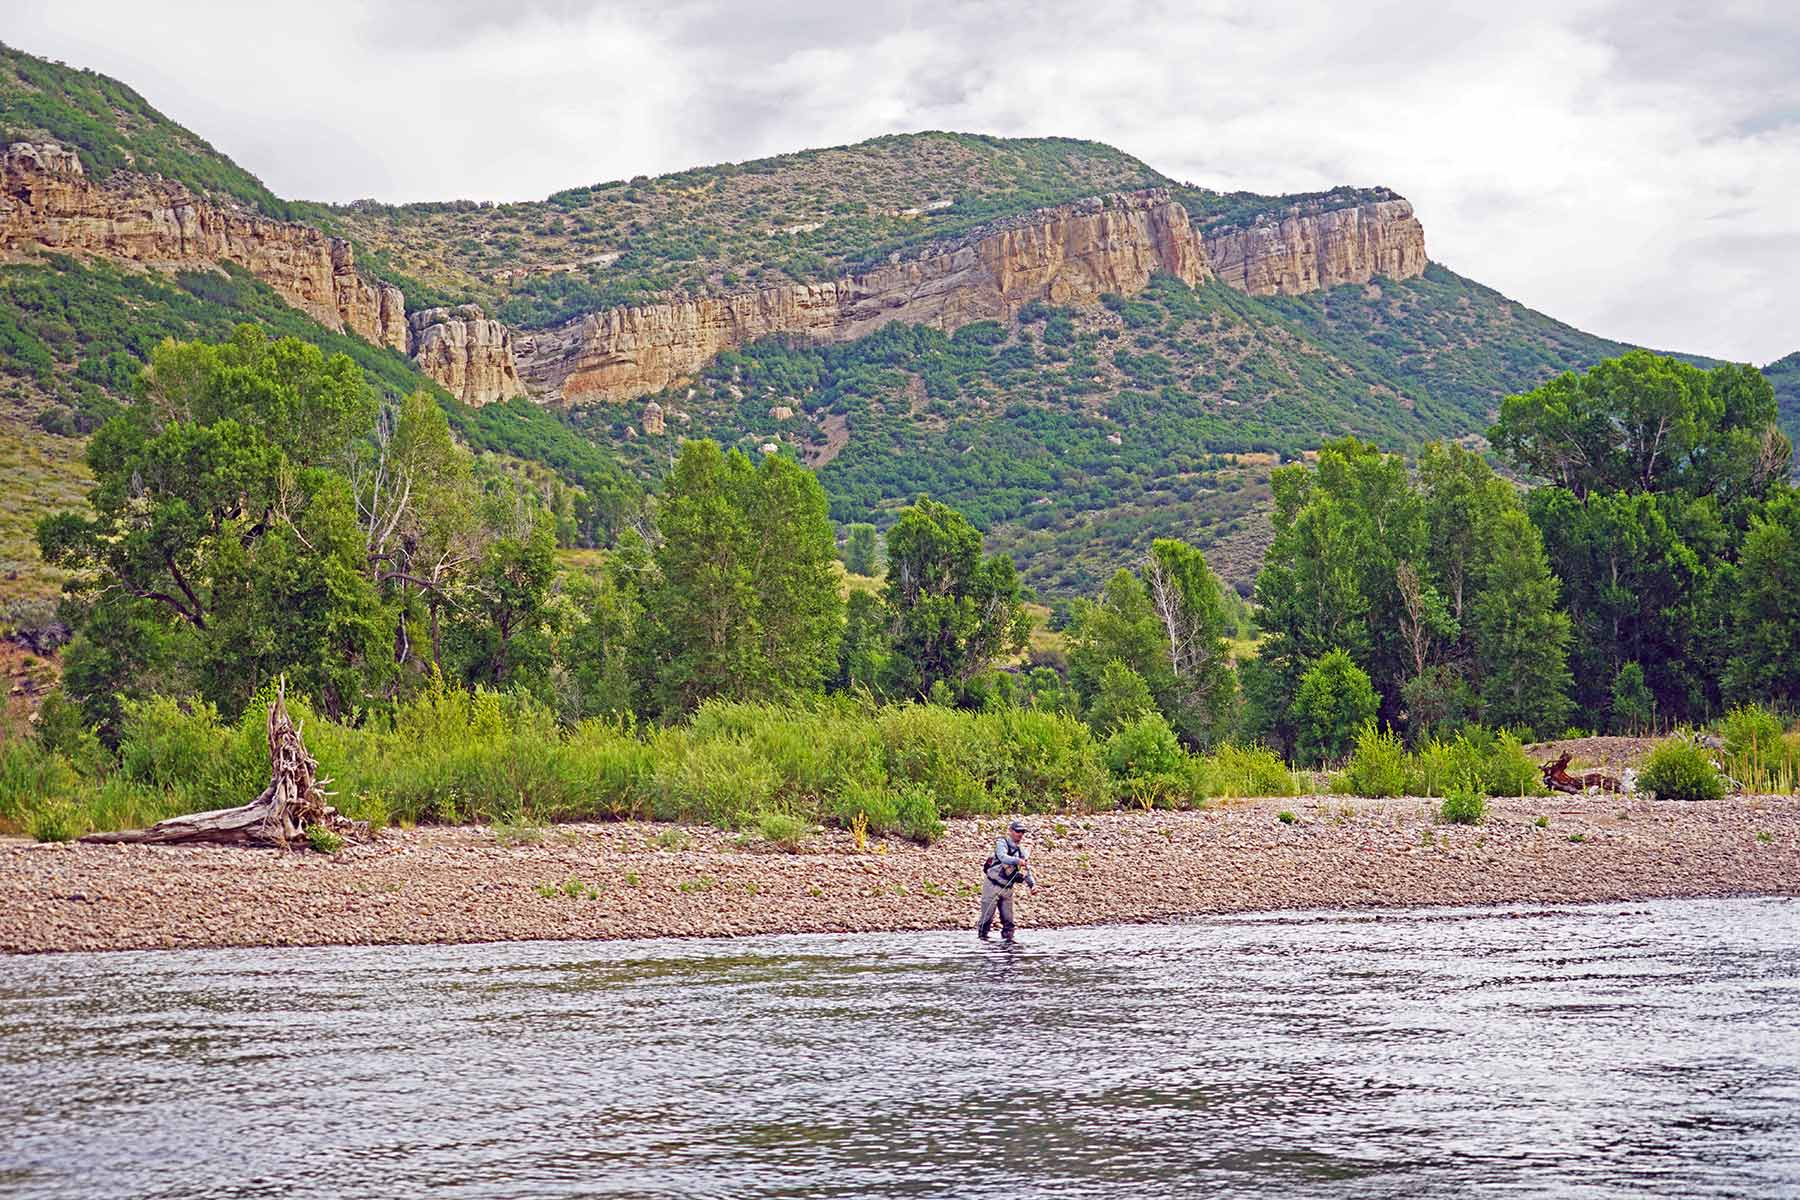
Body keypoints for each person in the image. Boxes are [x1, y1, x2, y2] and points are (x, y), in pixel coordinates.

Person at [978, 819, 1036, 942]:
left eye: (1022, 832)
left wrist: (1032, 885)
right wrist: (1017, 861)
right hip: (992, 886)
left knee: (1009, 922)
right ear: (1010, 831)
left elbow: (1027, 870)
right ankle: (983, 943)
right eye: (1017, 831)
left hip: (1007, 889)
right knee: (986, 919)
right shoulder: (1001, 843)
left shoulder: (1021, 851)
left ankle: (1009, 947)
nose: (1020, 834)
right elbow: (1002, 857)